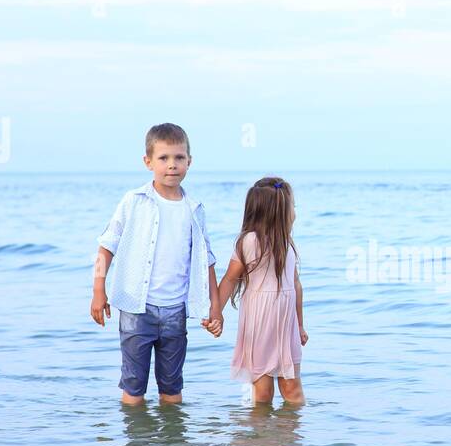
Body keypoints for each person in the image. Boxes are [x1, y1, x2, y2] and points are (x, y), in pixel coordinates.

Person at [90, 123, 218, 405]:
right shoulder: (134, 201)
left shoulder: (194, 209)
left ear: (189, 161)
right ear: (148, 162)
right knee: (134, 388)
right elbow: (106, 246)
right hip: (138, 309)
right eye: (163, 158)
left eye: (179, 158)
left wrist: (215, 308)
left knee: (172, 390)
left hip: (175, 311)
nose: (172, 165)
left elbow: (205, 261)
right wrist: (99, 290)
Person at [205, 177, 307, 406]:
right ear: (276, 212)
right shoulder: (249, 242)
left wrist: (300, 325)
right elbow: (230, 279)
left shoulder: (287, 243)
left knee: (293, 390)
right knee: (262, 394)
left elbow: (296, 285)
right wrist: (216, 313)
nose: (295, 213)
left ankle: (292, 439)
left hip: (286, 325)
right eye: (293, 207)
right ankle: (260, 441)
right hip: (259, 323)